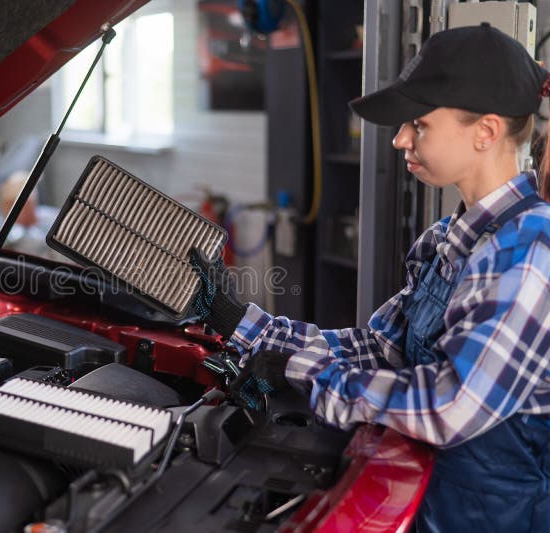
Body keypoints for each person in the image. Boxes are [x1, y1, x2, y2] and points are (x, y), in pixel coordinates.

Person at [190, 23, 550, 532]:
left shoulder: (531, 252)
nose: (401, 137)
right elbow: (380, 349)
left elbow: (448, 404)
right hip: (428, 505)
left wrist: (305, 374)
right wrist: (242, 324)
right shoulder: (450, 238)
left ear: (485, 132)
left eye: (419, 124)